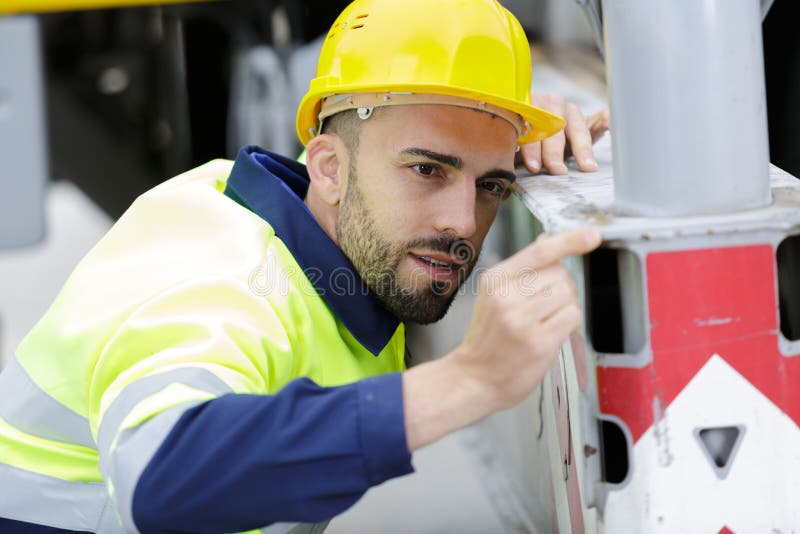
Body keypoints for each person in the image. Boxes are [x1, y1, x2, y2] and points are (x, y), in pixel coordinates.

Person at [0, 0, 606, 532]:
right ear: (330, 168)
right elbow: (161, 476)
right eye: (427, 169)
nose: (463, 223)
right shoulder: (228, 277)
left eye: (489, 185)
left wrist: (497, 135)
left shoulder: (326, 231)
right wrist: (468, 380)